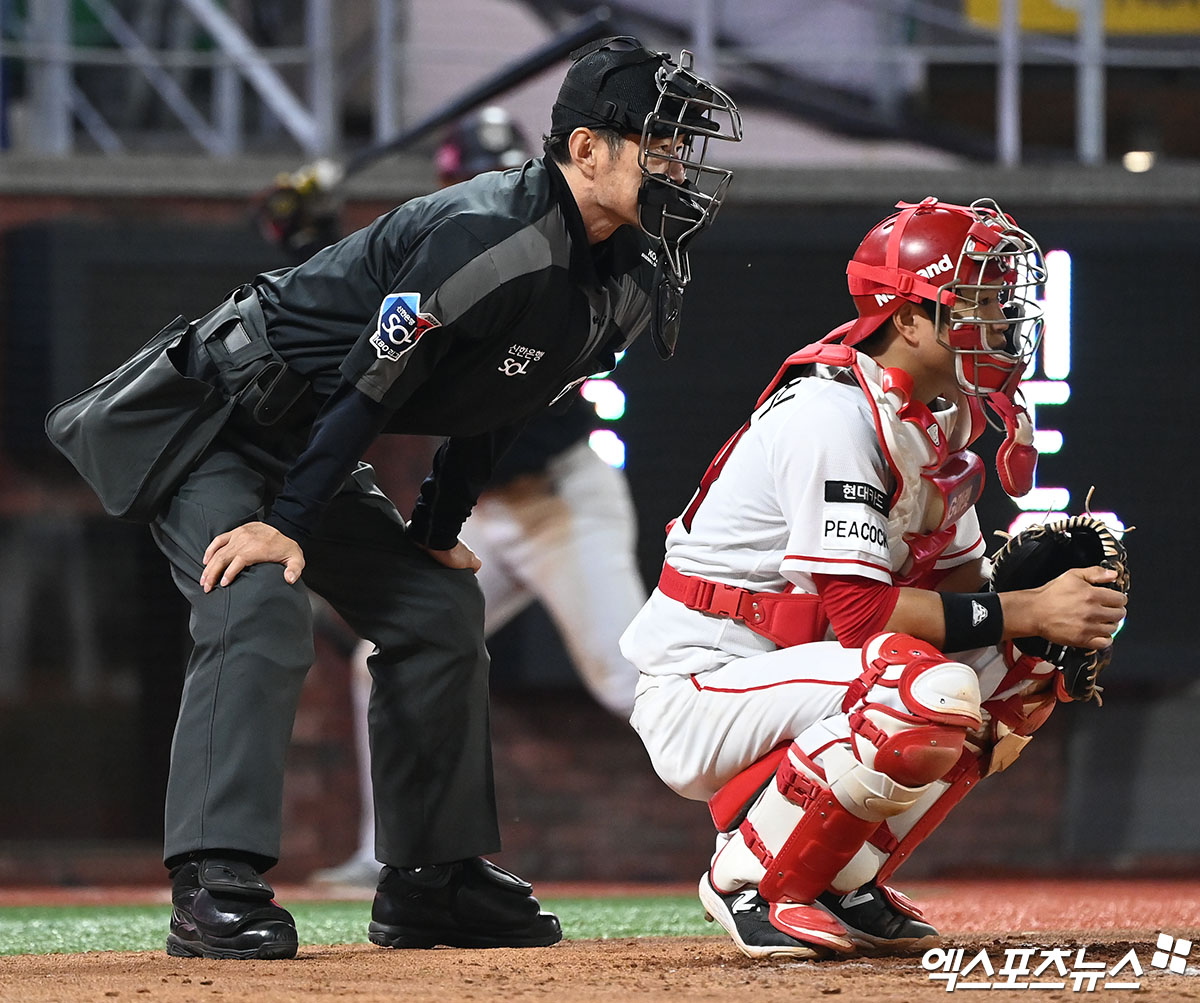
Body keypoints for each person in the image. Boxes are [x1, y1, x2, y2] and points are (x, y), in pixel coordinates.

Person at [44, 36, 742, 959]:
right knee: (256, 598)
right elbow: (371, 388)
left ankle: (430, 880)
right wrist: (285, 524)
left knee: (436, 603)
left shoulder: (627, 278)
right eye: (657, 144)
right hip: (218, 420)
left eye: (680, 147)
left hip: (309, 436)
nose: (676, 167)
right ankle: (214, 879)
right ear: (584, 150)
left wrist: (437, 526)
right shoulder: (488, 232)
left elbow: (502, 397)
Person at [619, 197, 1127, 960]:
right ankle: (750, 881)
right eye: (978, 301)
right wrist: (1026, 604)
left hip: (798, 670)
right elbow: (863, 619)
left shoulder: (939, 414)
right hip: (705, 684)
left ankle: (841, 876)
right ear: (911, 319)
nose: (1000, 318)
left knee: (1020, 669)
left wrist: (1031, 615)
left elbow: (954, 591)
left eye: (999, 299)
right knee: (919, 684)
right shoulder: (834, 414)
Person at [311, 107, 649, 889]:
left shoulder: (547, 252)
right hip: (487, 511)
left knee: (628, 682)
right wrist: (306, 236)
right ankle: (379, 847)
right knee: (382, 654)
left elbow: (427, 358)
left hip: (563, 498)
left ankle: (776, 799)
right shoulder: (453, 238)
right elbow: (366, 316)